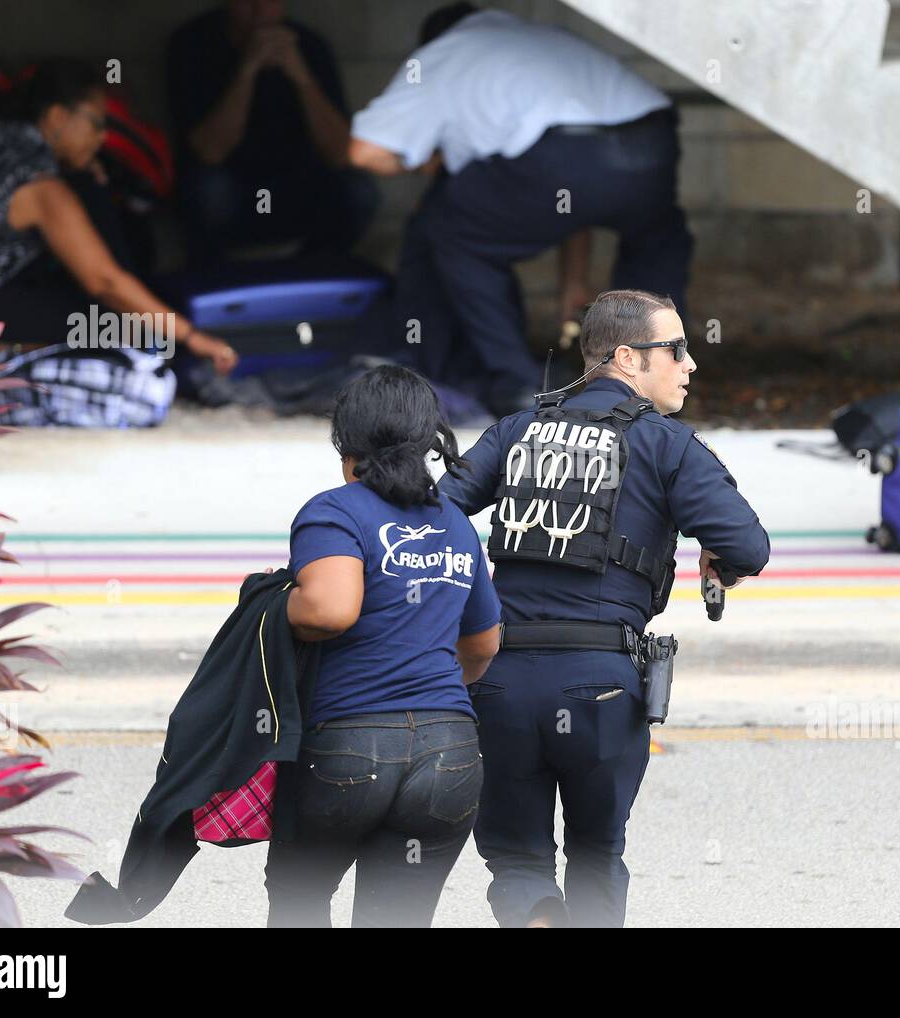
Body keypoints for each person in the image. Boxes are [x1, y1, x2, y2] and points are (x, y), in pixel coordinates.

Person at [438, 289, 771, 927]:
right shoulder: (667, 444)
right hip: (602, 691)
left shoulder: (518, 429)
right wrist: (715, 559)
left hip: (498, 681)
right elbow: (749, 547)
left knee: (518, 861)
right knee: (596, 854)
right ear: (626, 357)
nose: (690, 364)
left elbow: (439, 514)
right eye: (675, 349)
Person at [348, 4, 694, 418]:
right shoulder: (542, 37)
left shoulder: (443, 54)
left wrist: (426, 159)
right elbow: (576, 201)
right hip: (650, 142)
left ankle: (518, 384)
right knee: (657, 236)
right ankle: (650, 391)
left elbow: (364, 152)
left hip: (558, 159)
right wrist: (574, 282)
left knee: (448, 228)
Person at [265, 364, 503, 928]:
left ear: (343, 439)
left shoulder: (335, 511)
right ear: (429, 439)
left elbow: (329, 609)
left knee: (299, 903)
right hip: (450, 755)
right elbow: (484, 643)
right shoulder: (455, 524)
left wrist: (272, 605)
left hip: (348, 748)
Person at [0, 59, 238, 374]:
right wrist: (190, 336)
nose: (102, 138)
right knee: (110, 322)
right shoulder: (40, 185)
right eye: (96, 123)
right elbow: (104, 282)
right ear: (57, 117)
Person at [169, 0, 380, 265]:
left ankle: (310, 270)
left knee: (359, 191)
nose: (260, 10)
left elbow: (341, 154)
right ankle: (215, 280)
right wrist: (247, 71)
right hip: (232, 190)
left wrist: (301, 76)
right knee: (209, 189)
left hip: (295, 188)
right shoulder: (194, 44)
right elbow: (210, 152)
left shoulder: (308, 45)